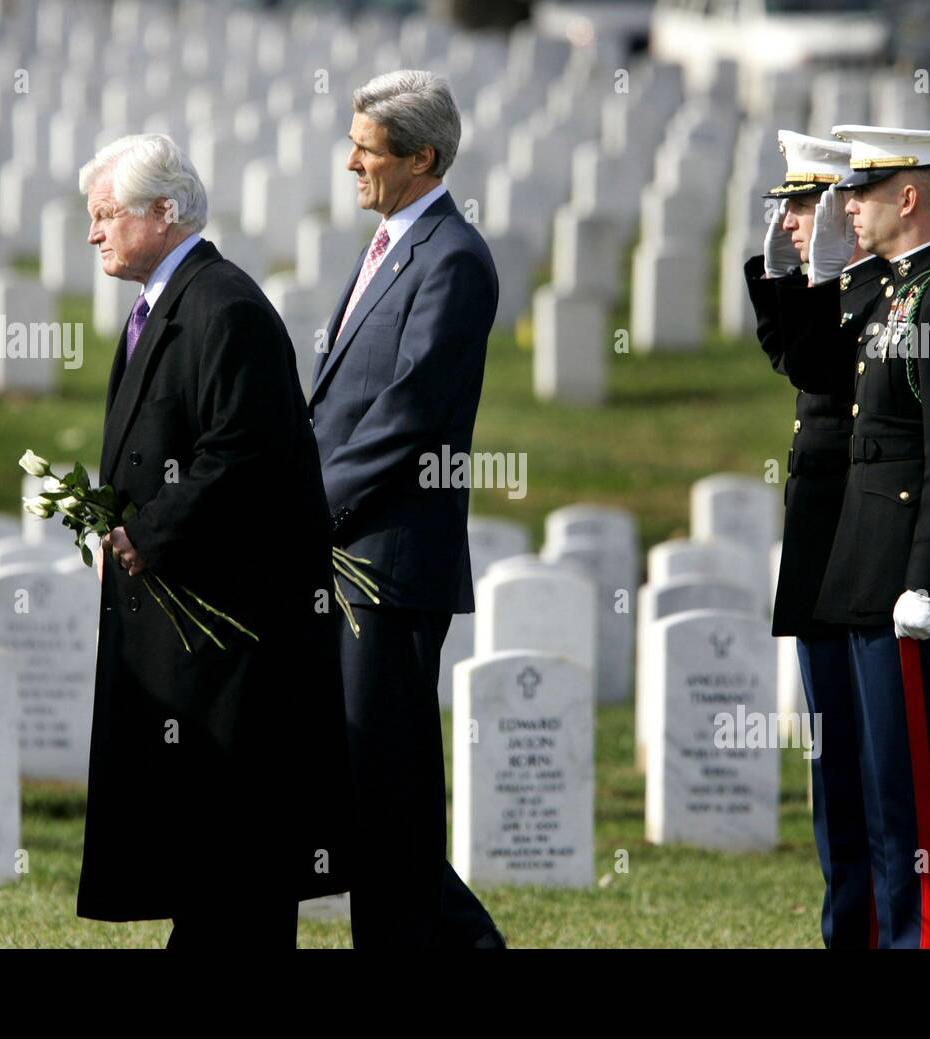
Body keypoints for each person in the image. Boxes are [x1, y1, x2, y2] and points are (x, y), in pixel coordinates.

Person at [75, 133, 352, 950]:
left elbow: (241, 451)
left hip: (229, 638)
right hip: (187, 632)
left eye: (105, 216)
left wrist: (143, 533)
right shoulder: (169, 302)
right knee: (213, 859)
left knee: (238, 856)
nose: (94, 234)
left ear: (164, 213)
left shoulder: (221, 306)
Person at [777, 126, 930, 949]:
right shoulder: (896, 294)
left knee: (916, 801)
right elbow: (809, 364)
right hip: (860, 571)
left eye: (864, 191)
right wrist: (787, 270)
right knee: (870, 792)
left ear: (908, 198)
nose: (847, 203)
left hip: (904, 579)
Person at [307, 70, 505, 949]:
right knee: (367, 785)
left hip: (387, 561)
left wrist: (308, 513)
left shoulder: (454, 258)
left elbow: (411, 411)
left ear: (423, 156)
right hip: (352, 554)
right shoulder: (390, 241)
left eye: (367, 146)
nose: (350, 160)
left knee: (383, 787)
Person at [744, 130, 891, 948]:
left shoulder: (880, 297)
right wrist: (782, 276)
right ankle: (849, 930)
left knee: (875, 778)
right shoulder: (831, 293)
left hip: (859, 553)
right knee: (834, 777)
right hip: (818, 554)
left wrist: (819, 277)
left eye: (805, 207)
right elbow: (788, 354)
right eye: (790, 207)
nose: (793, 223)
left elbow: (818, 365)